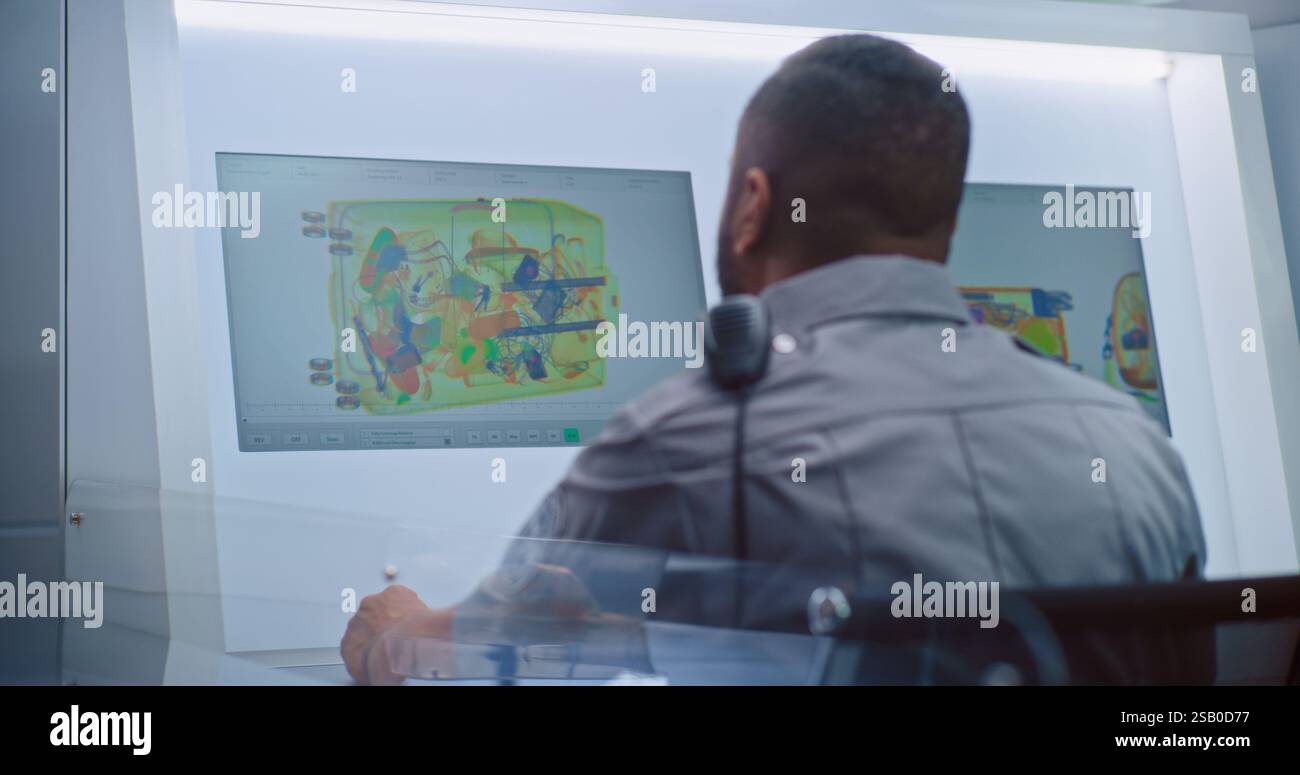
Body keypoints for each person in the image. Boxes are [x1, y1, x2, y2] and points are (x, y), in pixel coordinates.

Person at [343, 33, 1207, 685]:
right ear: (943, 219)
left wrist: (408, 625)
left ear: (754, 204)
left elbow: (497, 639)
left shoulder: (691, 437)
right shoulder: (1132, 448)